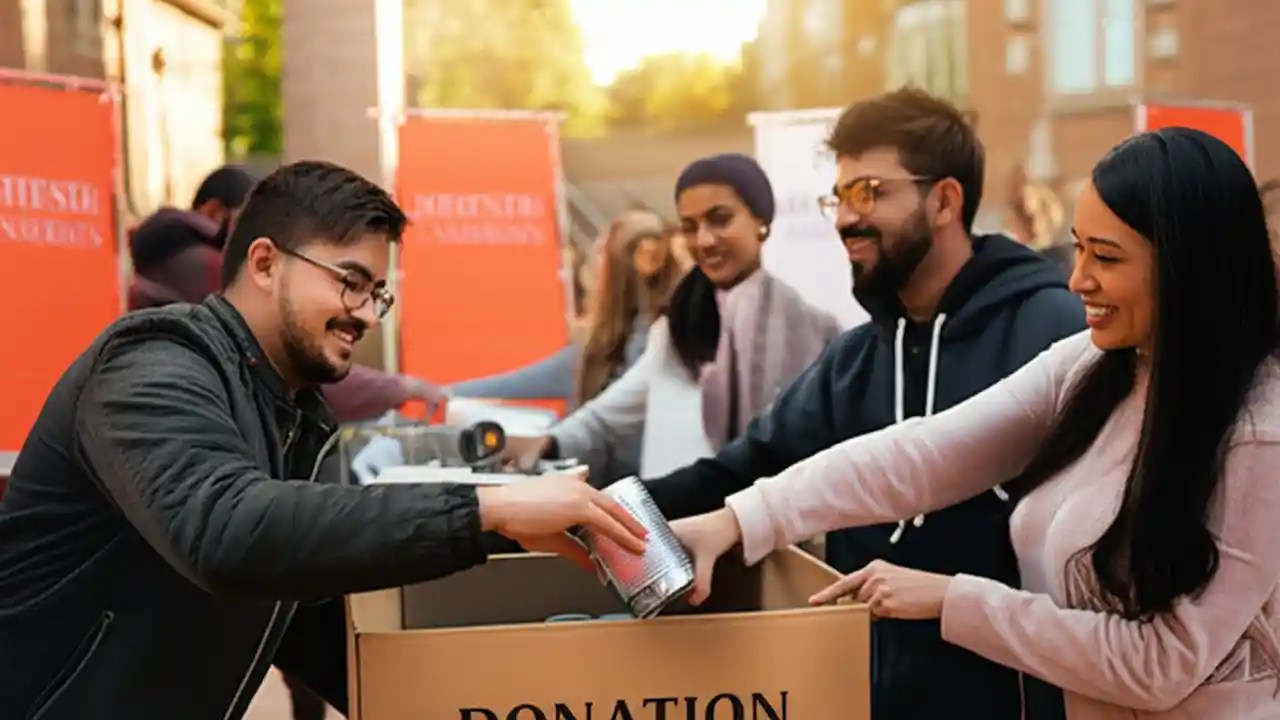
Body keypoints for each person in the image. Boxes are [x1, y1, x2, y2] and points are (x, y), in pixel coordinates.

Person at [0, 160, 646, 720]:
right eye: (349, 281)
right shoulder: (153, 361)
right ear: (264, 262)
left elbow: (303, 611)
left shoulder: (290, 414)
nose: (365, 314)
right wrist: (488, 508)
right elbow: (228, 532)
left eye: (377, 293)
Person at [673, 127, 1280, 719]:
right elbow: (926, 455)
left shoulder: (1260, 434)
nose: (1078, 279)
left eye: (1107, 257)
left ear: (1188, 267)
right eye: (1079, 247)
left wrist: (951, 598)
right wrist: (738, 520)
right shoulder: (1096, 363)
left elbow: (1161, 664)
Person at [643, 88, 1085, 720]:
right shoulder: (853, 360)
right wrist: (600, 513)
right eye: (840, 196)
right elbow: (742, 469)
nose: (846, 218)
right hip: (868, 698)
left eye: (871, 192)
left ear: (944, 201)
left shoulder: (1055, 331)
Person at [527, 153, 842, 481]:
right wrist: (538, 445)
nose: (704, 240)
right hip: (669, 522)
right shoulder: (678, 329)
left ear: (761, 220)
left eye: (720, 219)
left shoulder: (816, 333)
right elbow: (603, 421)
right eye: (689, 227)